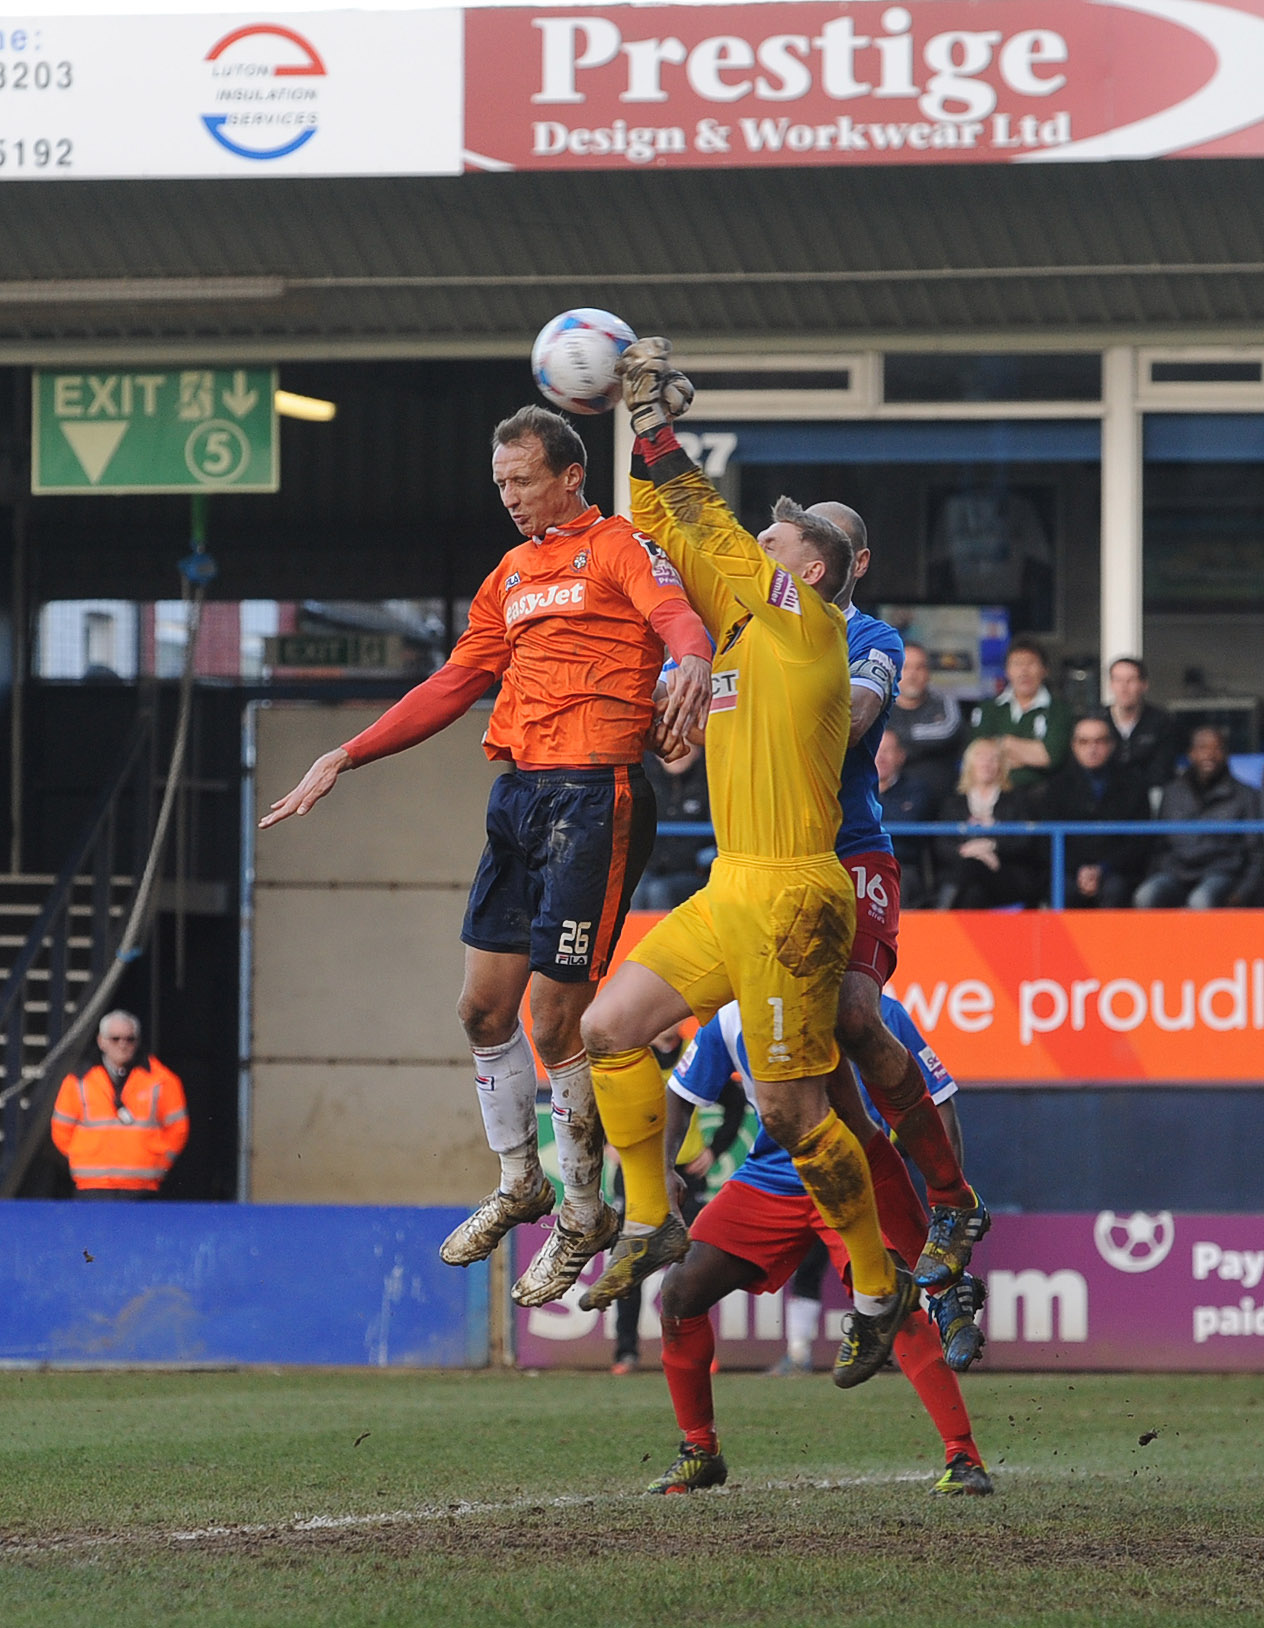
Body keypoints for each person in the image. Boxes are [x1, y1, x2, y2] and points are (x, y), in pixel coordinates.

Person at [259, 404, 712, 1307]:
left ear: (570, 476)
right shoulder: (508, 574)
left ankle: (585, 1213)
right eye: (500, 483)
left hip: (595, 796)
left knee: (555, 1024)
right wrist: (347, 754)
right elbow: (456, 681)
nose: (508, 497)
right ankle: (522, 1182)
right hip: (518, 795)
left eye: (522, 481)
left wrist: (690, 660)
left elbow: (675, 616)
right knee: (478, 1010)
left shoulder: (619, 547)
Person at [578, 337, 919, 1390]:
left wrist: (655, 422)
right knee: (604, 1029)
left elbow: (703, 517)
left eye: (773, 535)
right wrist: (642, 446)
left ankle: (874, 1284)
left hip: (792, 896)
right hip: (734, 886)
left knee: (787, 1114)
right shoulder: (737, 633)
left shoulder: (803, 621)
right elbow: (666, 525)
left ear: (805, 565)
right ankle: (649, 1218)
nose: (752, 539)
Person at [648, 998, 993, 1497]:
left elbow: (938, 1097)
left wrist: (947, 1201)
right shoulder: (732, 1018)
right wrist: (662, 1171)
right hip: (771, 1179)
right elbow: (680, 1094)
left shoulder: (869, 1008)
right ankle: (699, 1449)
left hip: (853, 1177)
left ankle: (963, 1456)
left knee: (893, 1304)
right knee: (680, 1292)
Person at [766, 991, 985, 1377]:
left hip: (864, 1169)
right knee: (694, 1285)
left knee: (897, 1265)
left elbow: (940, 1098)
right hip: (789, 1171)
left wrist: (949, 1197)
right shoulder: (762, 1011)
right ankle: (803, 1351)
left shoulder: (884, 1012)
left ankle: (937, 1322)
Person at [609, 1024, 746, 1375]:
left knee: (693, 1266)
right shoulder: (633, 1056)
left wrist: (715, 1149)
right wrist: (607, 1143)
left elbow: (735, 1103)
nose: (668, 1023)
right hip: (639, 1173)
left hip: (686, 1175)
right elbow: (599, 1099)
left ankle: (695, 1349)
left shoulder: (696, 1055)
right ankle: (626, 1352)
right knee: (630, 1264)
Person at [50, 1011, 188, 1199]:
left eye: (129, 1039)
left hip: (142, 1188)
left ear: (137, 1041)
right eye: (115, 1039)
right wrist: (82, 1157)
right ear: (101, 1041)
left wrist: (159, 1163)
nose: (123, 1044)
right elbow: (60, 1130)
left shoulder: (162, 1080)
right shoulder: (78, 1080)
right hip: (92, 1188)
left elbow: (178, 1129)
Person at [1133, 725, 1264, 908]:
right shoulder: (1172, 793)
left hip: (1222, 874)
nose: (1209, 755)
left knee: (1200, 901)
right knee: (1146, 895)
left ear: (1226, 755)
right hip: (1175, 873)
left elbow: (1256, 853)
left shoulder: (1246, 795)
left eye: (1216, 748)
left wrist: (1242, 893)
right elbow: (1158, 846)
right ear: (1191, 754)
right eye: (1202, 747)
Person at [1036, 715, 1151, 907]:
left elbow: (1139, 840)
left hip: (1118, 871)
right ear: (1074, 746)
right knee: (1062, 890)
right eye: (1084, 741)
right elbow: (1046, 841)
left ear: (1112, 744)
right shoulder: (1056, 786)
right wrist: (1080, 870)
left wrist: (1103, 869)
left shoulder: (1133, 783)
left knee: (1116, 890)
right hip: (1069, 871)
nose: (1092, 748)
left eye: (1099, 741)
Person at [935, 737, 1045, 910]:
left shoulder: (1017, 800)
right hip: (968, 876)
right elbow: (942, 845)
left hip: (1005, 872)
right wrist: (970, 851)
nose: (986, 763)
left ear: (1002, 764)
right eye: (980, 757)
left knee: (970, 867)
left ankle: (940, 915)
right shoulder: (953, 803)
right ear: (969, 763)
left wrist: (992, 845)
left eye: (993, 758)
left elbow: (1026, 841)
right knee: (973, 892)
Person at [968, 635, 1073, 790]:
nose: (1024, 671)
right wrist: (1030, 752)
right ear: (1007, 671)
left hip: (1041, 794)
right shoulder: (989, 708)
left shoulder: (1059, 710)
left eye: (1031, 663)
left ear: (1045, 670)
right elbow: (979, 753)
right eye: (1017, 664)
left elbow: (1049, 756)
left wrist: (1005, 743)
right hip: (994, 794)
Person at [629, 741, 713, 910]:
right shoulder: (645, 781)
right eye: (670, 747)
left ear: (698, 748)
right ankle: (630, 937)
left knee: (659, 891)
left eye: (684, 746)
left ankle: (663, 937)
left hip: (695, 872)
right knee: (633, 890)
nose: (677, 754)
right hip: (652, 869)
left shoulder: (710, 781)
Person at [886, 641, 967, 806]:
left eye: (919, 667)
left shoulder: (943, 702)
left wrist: (896, 739)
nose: (912, 675)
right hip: (889, 804)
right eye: (906, 667)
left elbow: (948, 731)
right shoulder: (879, 706)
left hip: (941, 802)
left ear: (928, 672)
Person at [1100, 656, 1179, 800]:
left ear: (1144, 685)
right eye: (1118, 680)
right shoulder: (1097, 721)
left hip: (1150, 795)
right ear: (1111, 685)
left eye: (1130, 680)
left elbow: (1162, 770)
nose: (1124, 687)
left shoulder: (1162, 721)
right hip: (1105, 796)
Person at [874, 728, 937, 909]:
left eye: (887, 751)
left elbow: (911, 819)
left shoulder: (918, 789)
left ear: (901, 756)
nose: (880, 757)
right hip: (860, 861)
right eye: (876, 750)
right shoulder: (852, 790)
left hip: (902, 865)